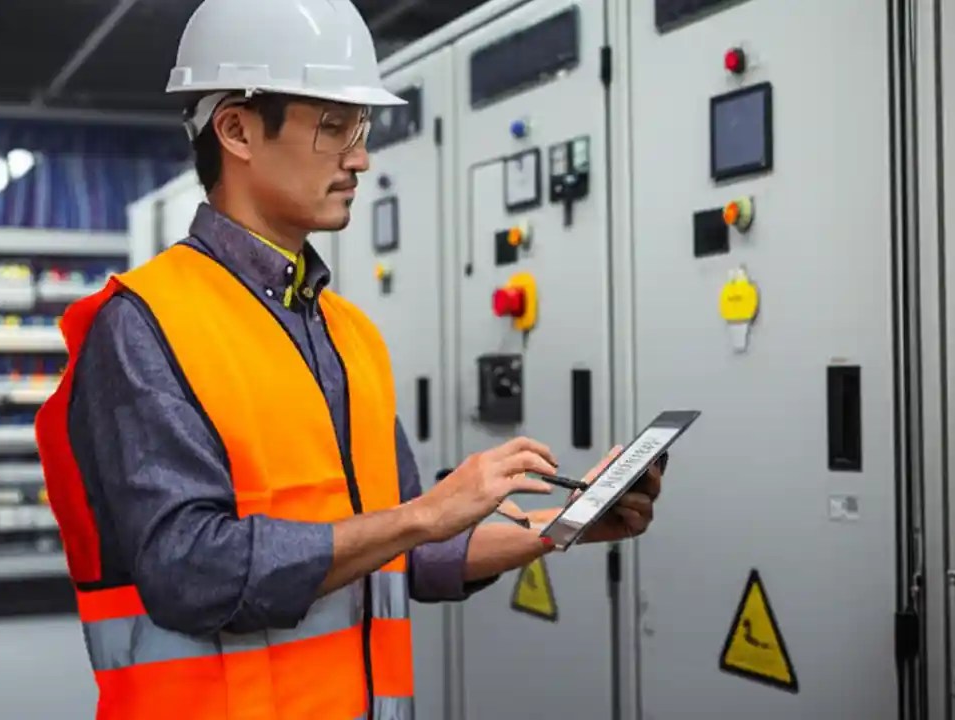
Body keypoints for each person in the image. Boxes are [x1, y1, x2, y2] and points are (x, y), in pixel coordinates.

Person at [33, 1, 666, 718]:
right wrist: (424, 516)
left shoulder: (348, 333)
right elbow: (190, 571)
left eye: (358, 129)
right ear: (236, 129)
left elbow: (404, 555)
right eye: (332, 126)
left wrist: (560, 528)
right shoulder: (146, 324)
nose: (360, 156)